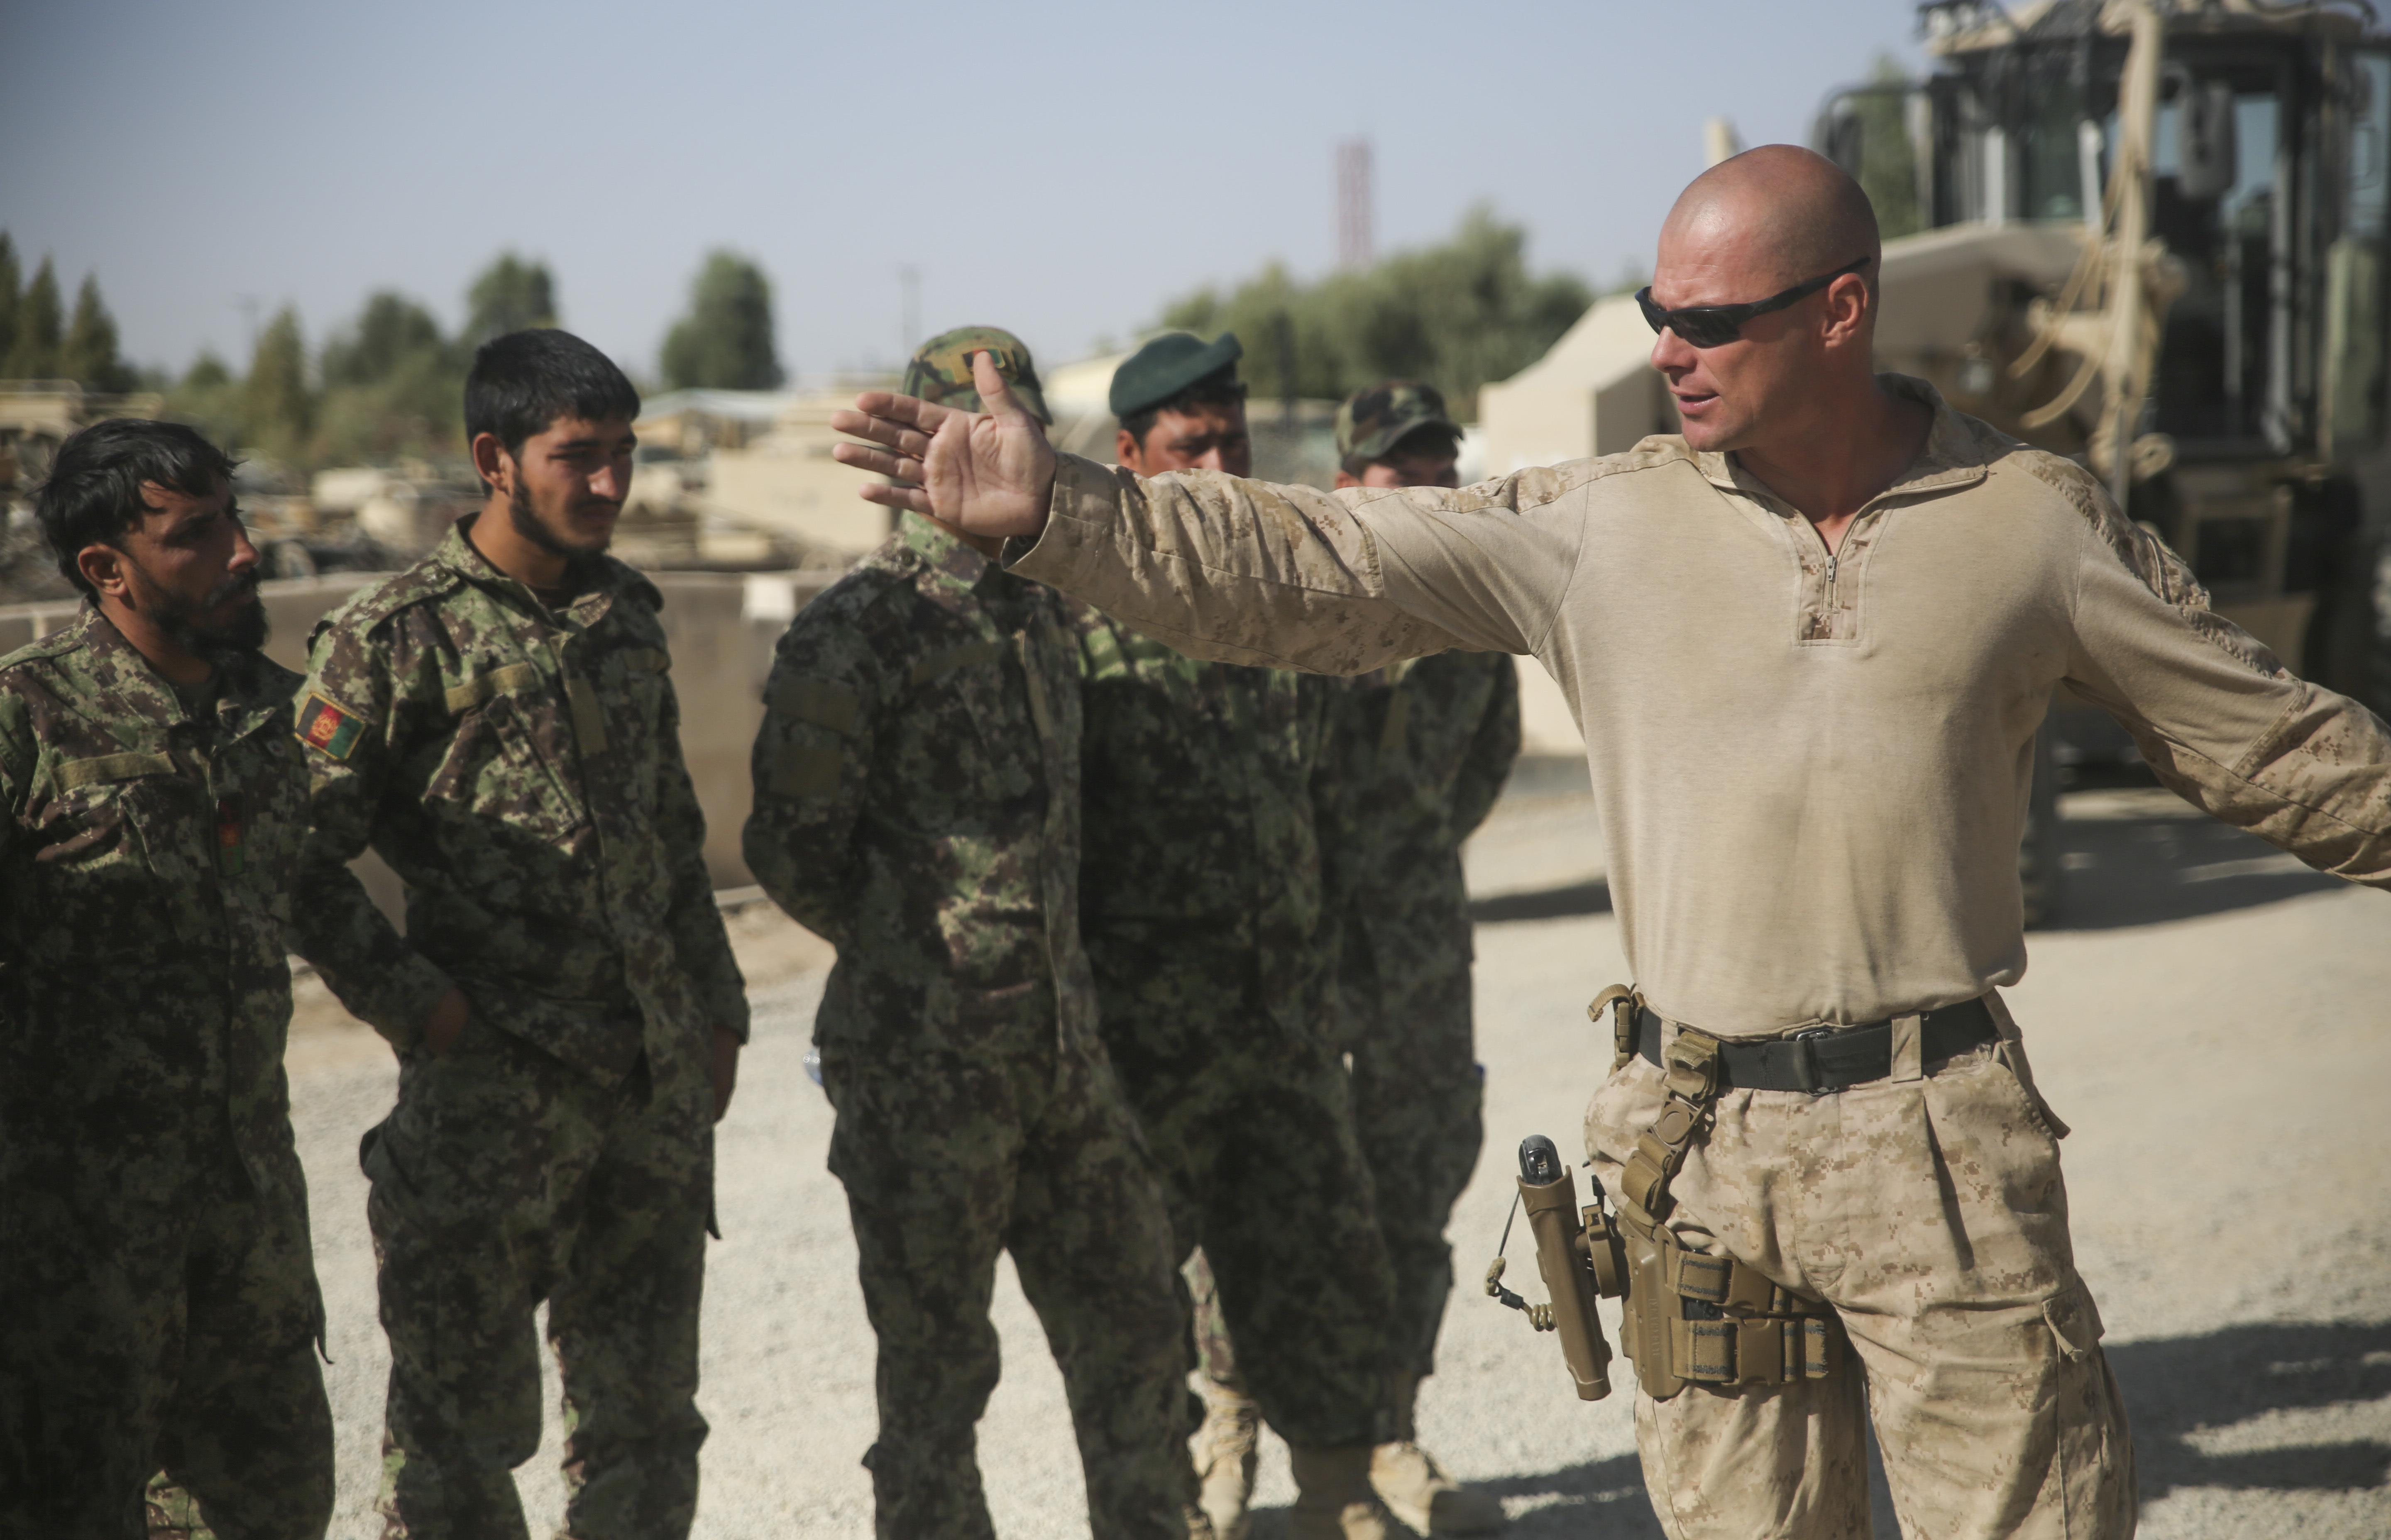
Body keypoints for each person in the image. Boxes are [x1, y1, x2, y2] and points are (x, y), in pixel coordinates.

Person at [831, 146, 2391, 1540]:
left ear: (1842, 313)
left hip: (1939, 1147)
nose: (1670, 348)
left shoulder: (2030, 520)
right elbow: (1314, 562)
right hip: (1693, 1148)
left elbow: (2275, 744)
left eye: (1714, 320)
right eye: (1660, 309)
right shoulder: (1598, 526)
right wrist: (1070, 520)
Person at [742, 328, 1202, 1540]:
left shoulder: (1050, 612)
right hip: (924, 1081)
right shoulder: (860, 629)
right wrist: (920, 955)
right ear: (915, 450)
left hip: (1067, 1065)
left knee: (1143, 1350)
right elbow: (790, 851)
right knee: (939, 1393)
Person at [293, 329, 749, 1538]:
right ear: (494, 458)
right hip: (491, 1098)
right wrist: (418, 1006)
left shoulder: (626, 618)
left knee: (648, 1427)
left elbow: (669, 832)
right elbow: (292, 853)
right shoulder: (392, 638)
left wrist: (717, 1009)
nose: (608, 486)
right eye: (576, 458)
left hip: (647, 1094)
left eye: (624, 457)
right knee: (456, 1443)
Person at [1077, 332, 1403, 1540]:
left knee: (1317, 1263)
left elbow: (1341, 802)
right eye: (1189, 443)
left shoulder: (1283, 606)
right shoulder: (1084, 621)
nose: (1218, 463)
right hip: (1145, 1045)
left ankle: (1335, 1495)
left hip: (1284, 1027)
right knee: (1137, 1304)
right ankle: (1170, 1503)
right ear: (1129, 457)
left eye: (1233, 438)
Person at [1183, 381, 1520, 1538]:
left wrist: (1401, 872)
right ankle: (1225, 1428)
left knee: (1413, 1193)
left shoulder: (1472, 623)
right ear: (1347, 487)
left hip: (1419, 961)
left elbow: (1479, 773)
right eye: (1398, 469)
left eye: (1438, 465)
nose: (1425, 486)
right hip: (1288, 955)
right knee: (1257, 1197)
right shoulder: (1285, 620)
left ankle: (1391, 1432)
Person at [0, 420, 332, 1539]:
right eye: (198, 535)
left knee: (278, 1507)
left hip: (252, 1230)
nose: (242, 552)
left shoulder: (274, 717)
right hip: (80, 1252)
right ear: (108, 569)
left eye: (234, 520)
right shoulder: (26, 720)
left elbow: (321, 897)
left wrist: (451, 1018)